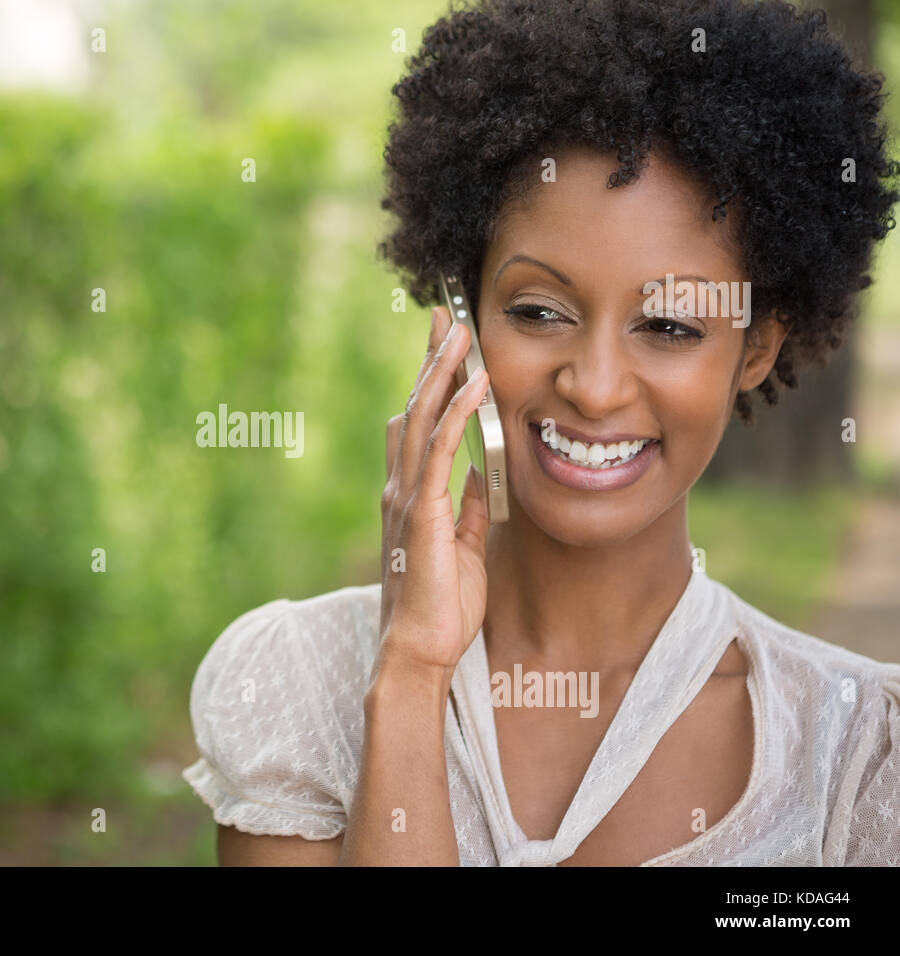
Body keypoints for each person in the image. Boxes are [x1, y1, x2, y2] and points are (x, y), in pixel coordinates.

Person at [182, 0, 900, 865]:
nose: (593, 387)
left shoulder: (858, 759)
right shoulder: (294, 685)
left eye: (670, 324)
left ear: (757, 348)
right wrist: (409, 675)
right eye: (537, 310)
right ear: (461, 314)